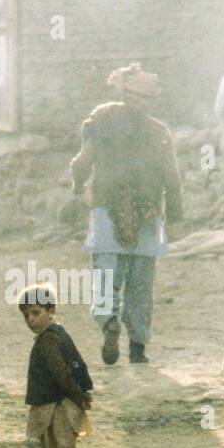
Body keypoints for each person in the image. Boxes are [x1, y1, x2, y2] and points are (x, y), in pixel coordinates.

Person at [69, 63, 184, 365]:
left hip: (107, 210)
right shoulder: (160, 133)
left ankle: (108, 322)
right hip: (147, 215)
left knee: (106, 276)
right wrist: (174, 217)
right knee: (141, 283)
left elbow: (82, 162)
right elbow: (172, 178)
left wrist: (77, 187)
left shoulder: (102, 121)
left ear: (122, 92)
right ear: (151, 99)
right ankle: (138, 348)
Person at [18, 284, 98, 448]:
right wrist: (80, 395)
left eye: (35, 313)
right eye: (26, 315)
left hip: (57, 409)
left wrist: (76, 395)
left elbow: (61, 373)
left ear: (51, 310)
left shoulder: (48, 340)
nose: (30, 320)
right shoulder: (58, 333)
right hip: (63, 406)